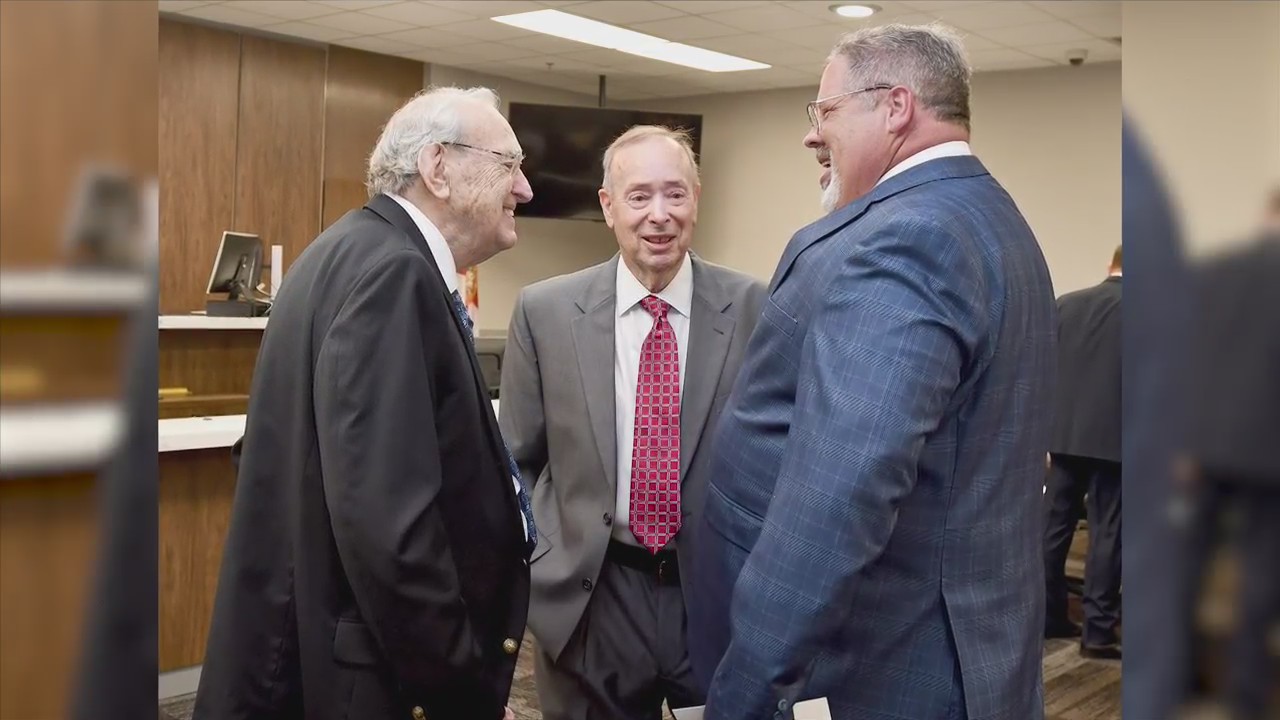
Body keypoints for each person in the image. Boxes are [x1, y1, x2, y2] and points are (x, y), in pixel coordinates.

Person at [686, 24, 1057, 720]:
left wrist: (741, 695)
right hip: (970, 654)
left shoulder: (904, 239)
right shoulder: (993, 219)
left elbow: (840, 496)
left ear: (895, 106)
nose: (810, 135)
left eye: (823, 112)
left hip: (886, 670)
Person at [194, 86, 537, 720]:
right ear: (438, 168)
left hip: (314, 650)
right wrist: (462, 689)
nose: (524, 189)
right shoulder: (394, 273)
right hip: (375, 679)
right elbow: (389, 525)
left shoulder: (340, 251)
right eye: (509, 165)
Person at [498, 125, 766, 720]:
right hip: (593, 599)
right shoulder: (544, 313)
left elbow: (777, 459)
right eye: (640, 196)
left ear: (698, 197)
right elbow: (518, 459)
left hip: (715, 598)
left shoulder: (755, 308)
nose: (659, 215)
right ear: (608, 205)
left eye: (676, 194)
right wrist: (542, 565)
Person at [1042, 247, 1123, 657]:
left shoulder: (1066, 305)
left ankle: (1046, 616)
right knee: (1107, 534)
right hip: (1118, 441)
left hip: (1063, 436)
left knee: (1052, 529)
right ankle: (1097, 633)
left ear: (1110, 264)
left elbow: (1043, 370)